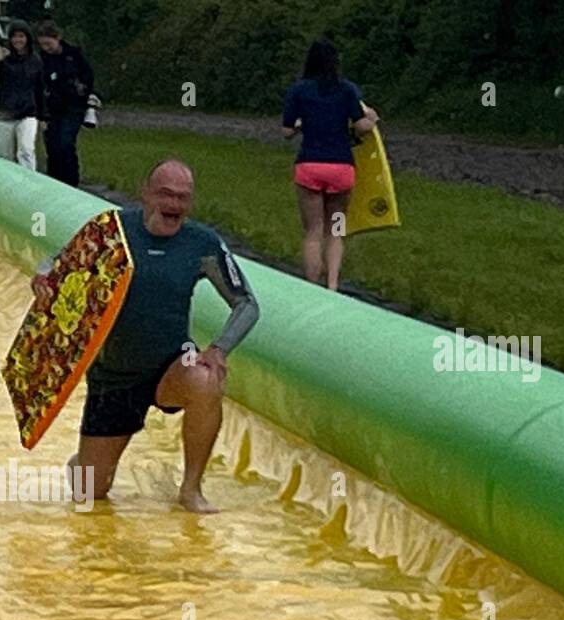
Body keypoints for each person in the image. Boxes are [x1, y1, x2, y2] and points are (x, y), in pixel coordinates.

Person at [43, 159, 259, 514]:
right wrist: (43, 278)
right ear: (145, 193)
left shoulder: (202, 243)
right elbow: (55, 263)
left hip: (172, 362)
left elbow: (247, 303)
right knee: (90, 492)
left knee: (206, 378)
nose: (173, 204)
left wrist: (220, 348)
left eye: (182, 198)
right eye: (165, 194)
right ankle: (82, 464)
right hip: (114, 376)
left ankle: (191, 489)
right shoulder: (112, 230)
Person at [281, 39, 378, 291]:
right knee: (336, 230)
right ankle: (333, 285)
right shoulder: (347, 90)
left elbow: (286, 131)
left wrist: (302, 124)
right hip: (341, 170)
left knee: (313, 231)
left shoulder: (299, 90)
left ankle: (312, 287)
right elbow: (361, 127)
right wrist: (373, 120)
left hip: (309, 167)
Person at [35, 20, 94, 187]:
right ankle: (54, 181)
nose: (46, 48)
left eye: (49, 43)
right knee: (52, 145)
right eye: (43, 44)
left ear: (58, 38)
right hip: (52, 108)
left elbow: (87, 75)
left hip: (73, 107)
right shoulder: (42, 59)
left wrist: (88, 94)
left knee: (65, 143)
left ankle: (71, 181)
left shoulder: (73, 54)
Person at [0, 21, 46, 170]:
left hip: (28, 112)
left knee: (26, 150)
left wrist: (43, 115)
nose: (18, 40)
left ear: (27, 38)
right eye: (14, 37)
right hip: (5, 112)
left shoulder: (35, 61)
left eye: (21, 36)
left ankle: (29, 183)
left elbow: (39, 88)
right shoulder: (4, 57)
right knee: (3, 156)